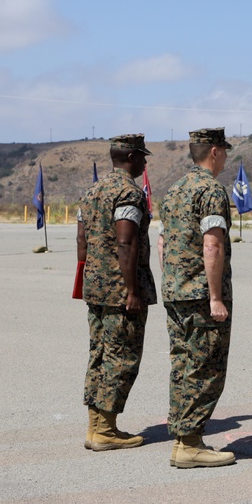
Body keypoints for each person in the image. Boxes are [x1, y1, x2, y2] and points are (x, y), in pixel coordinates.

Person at [158, 128, 236, 468]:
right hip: (202, 296)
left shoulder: (174, 190)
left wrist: (172, 283)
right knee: (205, 368)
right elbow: (212, 244)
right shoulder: (210, 190)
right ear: (215, 152)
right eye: (225, 152)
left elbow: (162, 244)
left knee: (182, 365)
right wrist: (215, 297)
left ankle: (183, 440)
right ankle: (190, 443)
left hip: (176, 292)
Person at [77, 134, 155, 451]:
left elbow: (81, 240)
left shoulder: (92, 190)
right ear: (132, 157)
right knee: (121, 357)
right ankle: (105, 431)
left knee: (99, 355)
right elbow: (126, 242)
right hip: (119, 291)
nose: (146, 163)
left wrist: (86, 275)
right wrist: (132, 290)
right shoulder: (128, 193)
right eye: (143, 157)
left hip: (95, 286)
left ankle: (96, 427)